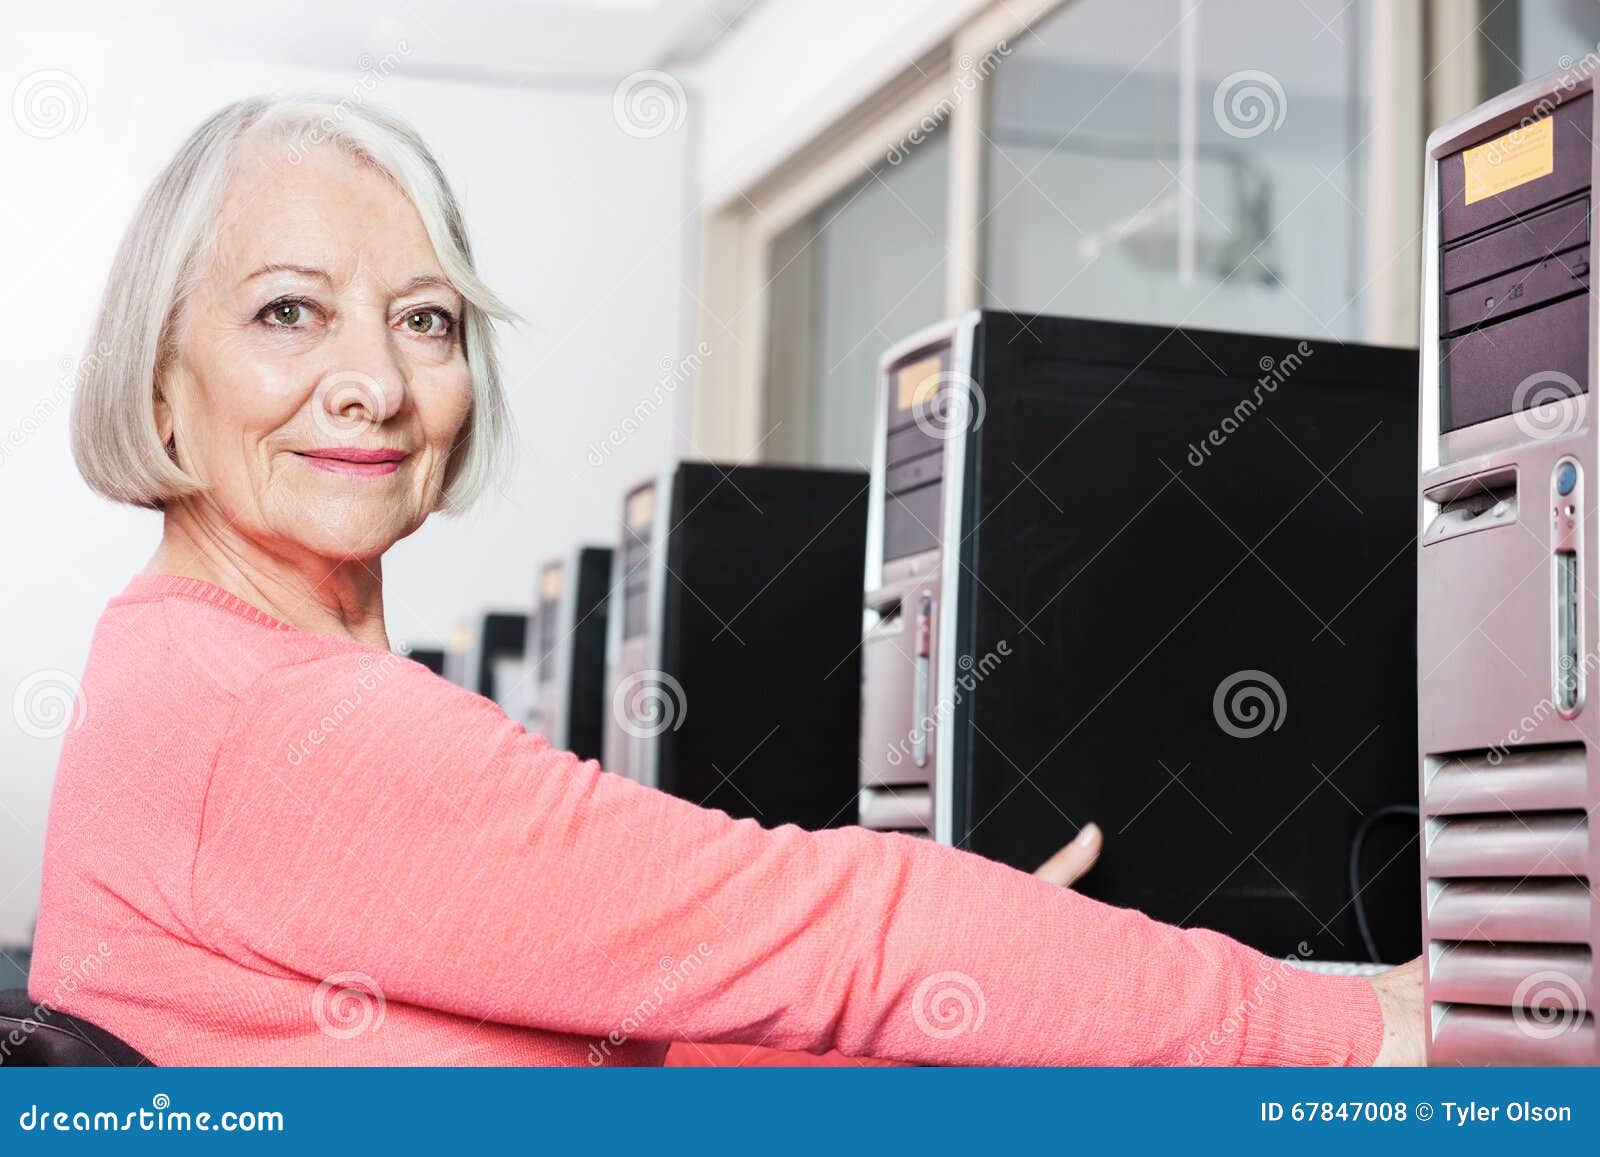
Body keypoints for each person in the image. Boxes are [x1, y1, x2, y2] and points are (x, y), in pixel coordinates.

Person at [31, 95, 1422, 1066]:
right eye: (289, 311)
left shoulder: (182, 669)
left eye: (425, 319)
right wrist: (1352, 1031)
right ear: (160, 390)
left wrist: (985, 978)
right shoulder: (274, 726)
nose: (378, 382)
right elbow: (816, 935)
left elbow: (645, 1037)